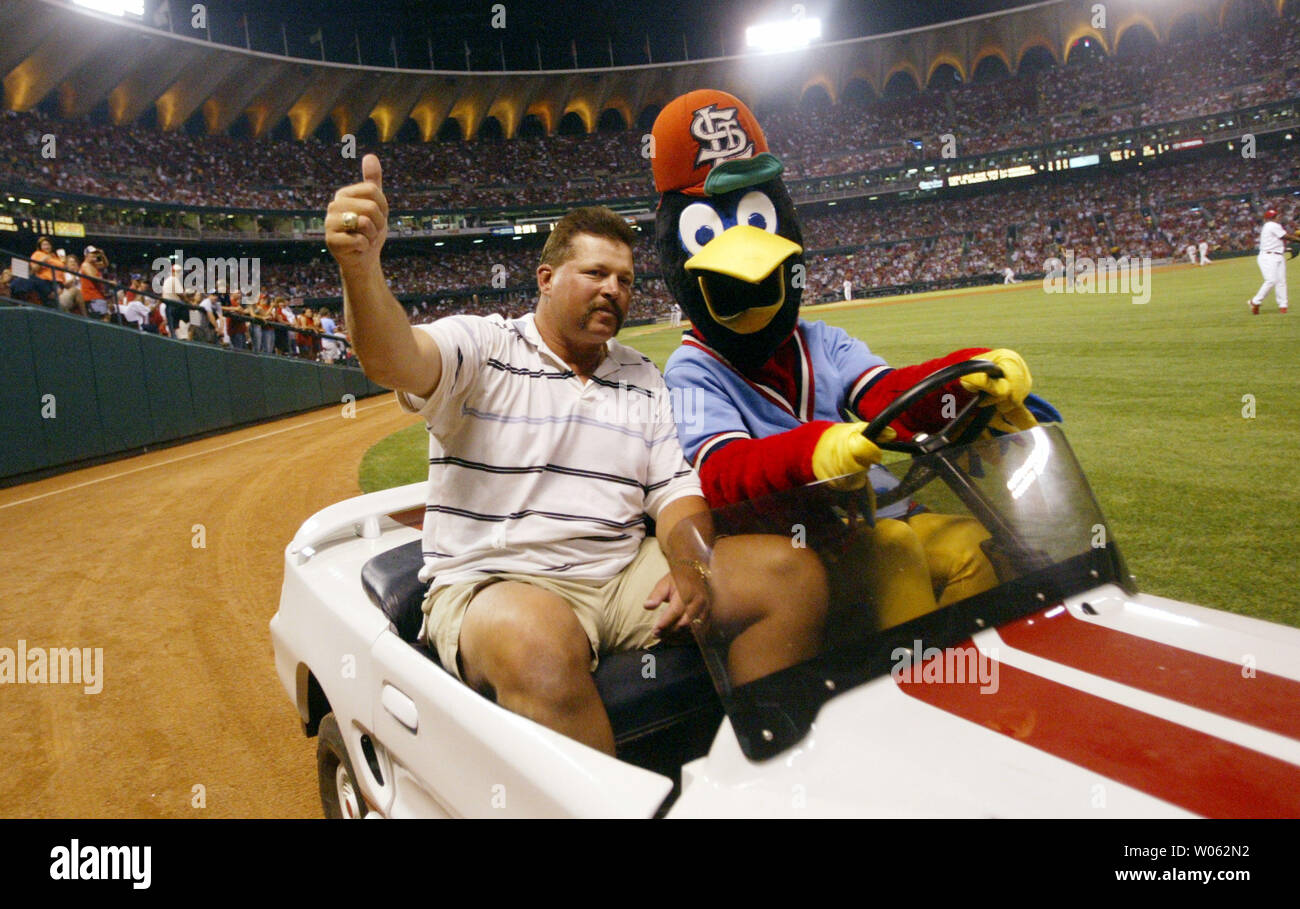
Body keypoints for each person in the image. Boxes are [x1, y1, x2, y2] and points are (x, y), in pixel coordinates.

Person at [326, 155, 827, 755]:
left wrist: (691, 562)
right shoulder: (486, 347)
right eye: (595, 273)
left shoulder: (641, 375)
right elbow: (394, 359)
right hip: (496, 581)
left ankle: (766, 773)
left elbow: (673, 490)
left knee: (788, 574)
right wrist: (360, 269)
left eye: (625, 279)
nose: (613, 289)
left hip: (619, 577)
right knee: (536, 640)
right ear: (545, 279)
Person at [1248, 207, 1300, 315]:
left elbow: (1276, 242)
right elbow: (1286, 236)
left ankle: (1283, 306)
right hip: (1268, 257)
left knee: (1281, 281)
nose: (1276, 218)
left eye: (1275, 216)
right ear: (1268, 219)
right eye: (1273, 217)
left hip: (1277, 255)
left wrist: (1288, 249)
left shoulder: (1271, 226)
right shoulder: (1271, 225)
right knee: (1271, 280)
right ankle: (1255, 301)